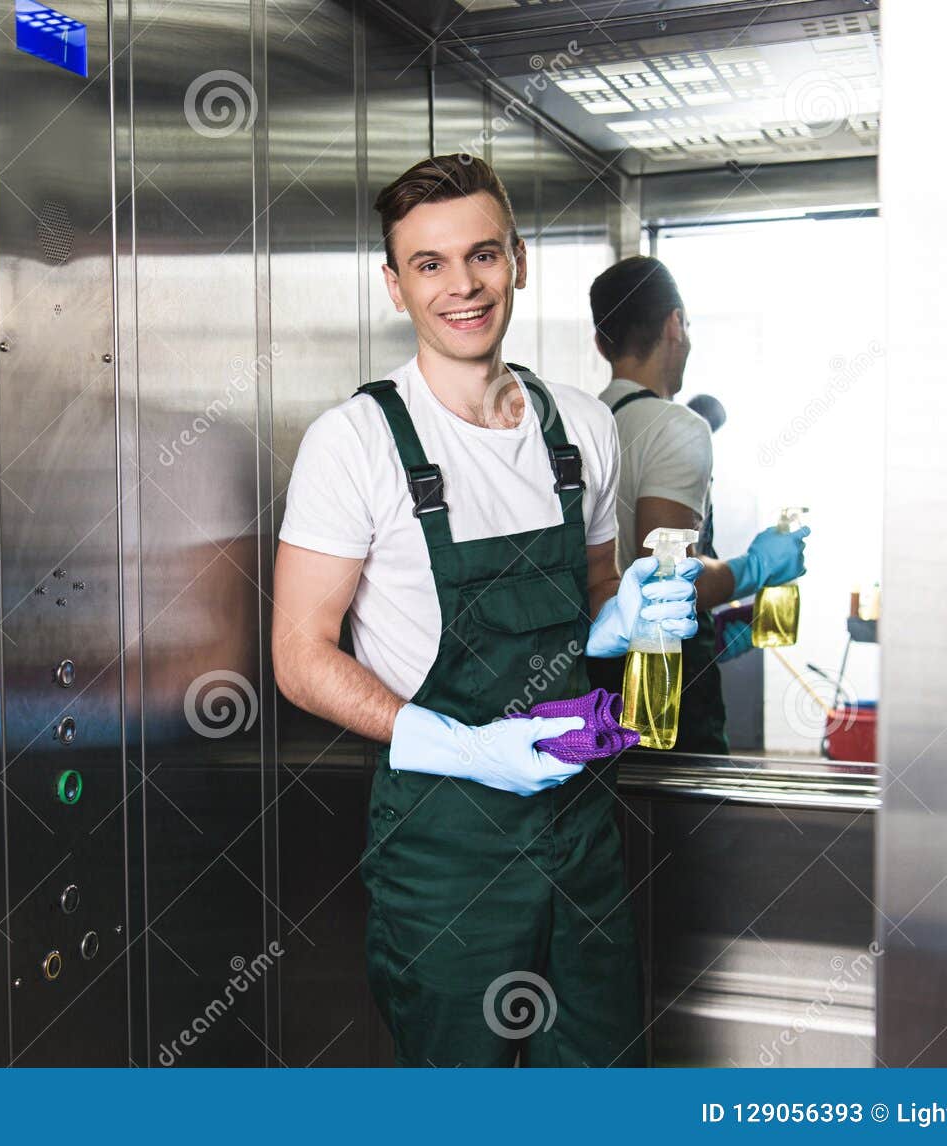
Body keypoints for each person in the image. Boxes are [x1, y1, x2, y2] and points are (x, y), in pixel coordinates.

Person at [271, 155, 699, 1066]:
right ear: (395, 283)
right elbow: (299, 656)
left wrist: (625, 618)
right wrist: (459, 747)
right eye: (429, 264)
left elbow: (588, 604)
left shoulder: (581, 428)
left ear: (519, 261)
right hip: (443, 851)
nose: (462, 286)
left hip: (582, 829)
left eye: (483, 256)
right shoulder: (354, 443)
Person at [589, 257, 808, 753]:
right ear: (675, 325)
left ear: (602, 342)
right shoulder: (678, 426)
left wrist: (722, 623)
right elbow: (667, 583)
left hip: (593, 693)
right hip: (666, 700)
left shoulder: (580, 426)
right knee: (686, 828)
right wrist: (754, 568)